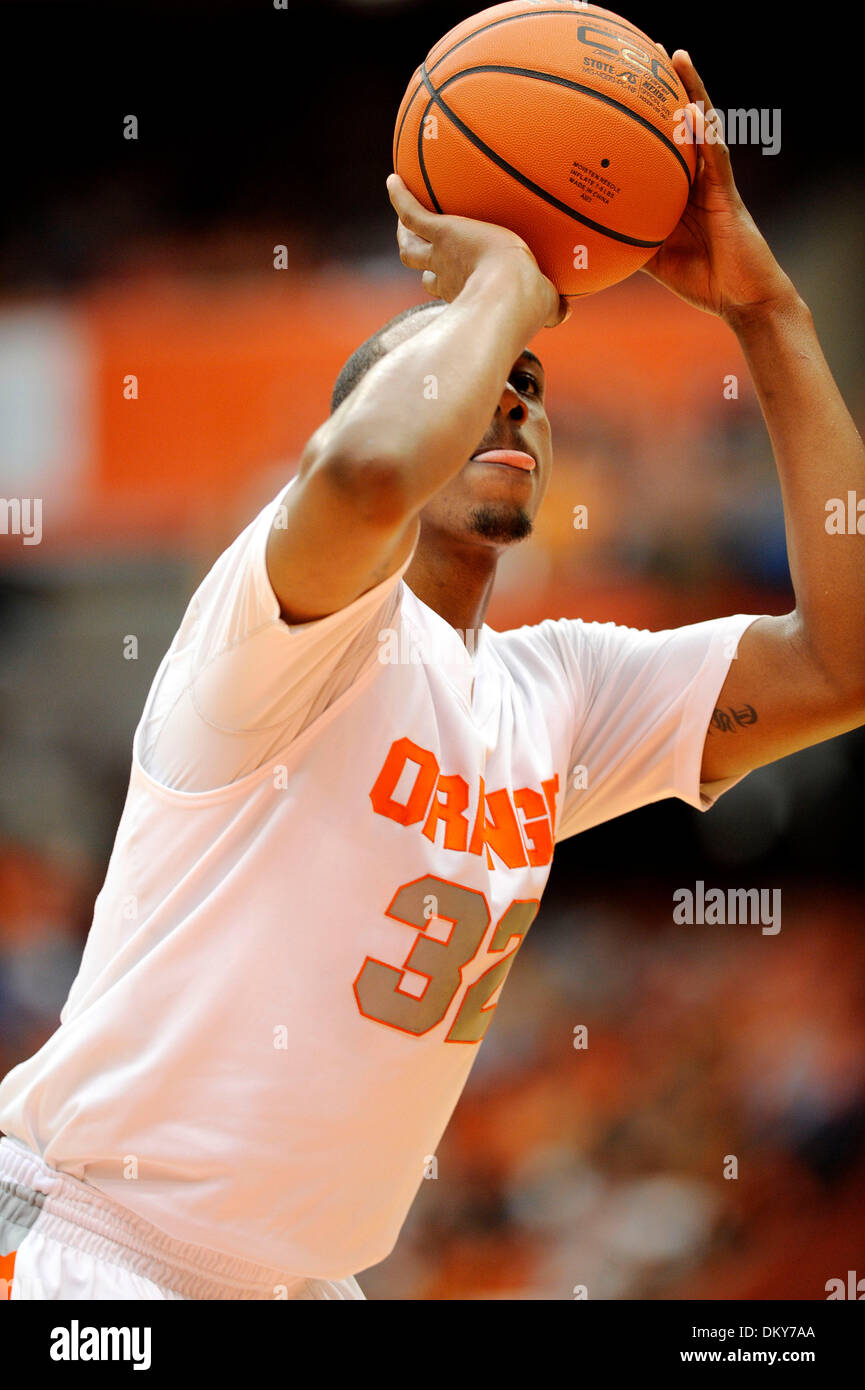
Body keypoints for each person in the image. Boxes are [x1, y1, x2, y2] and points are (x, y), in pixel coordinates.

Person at [1, 52, 863, 1301]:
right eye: (475, 375)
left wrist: (768, 312)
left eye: (530, 383)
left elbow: (844, 661)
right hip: (99, 1250)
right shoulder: (285, 621)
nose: (509, 394)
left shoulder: (557, 692)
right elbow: (359, 479)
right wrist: (506, 286)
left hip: (305, 1282)